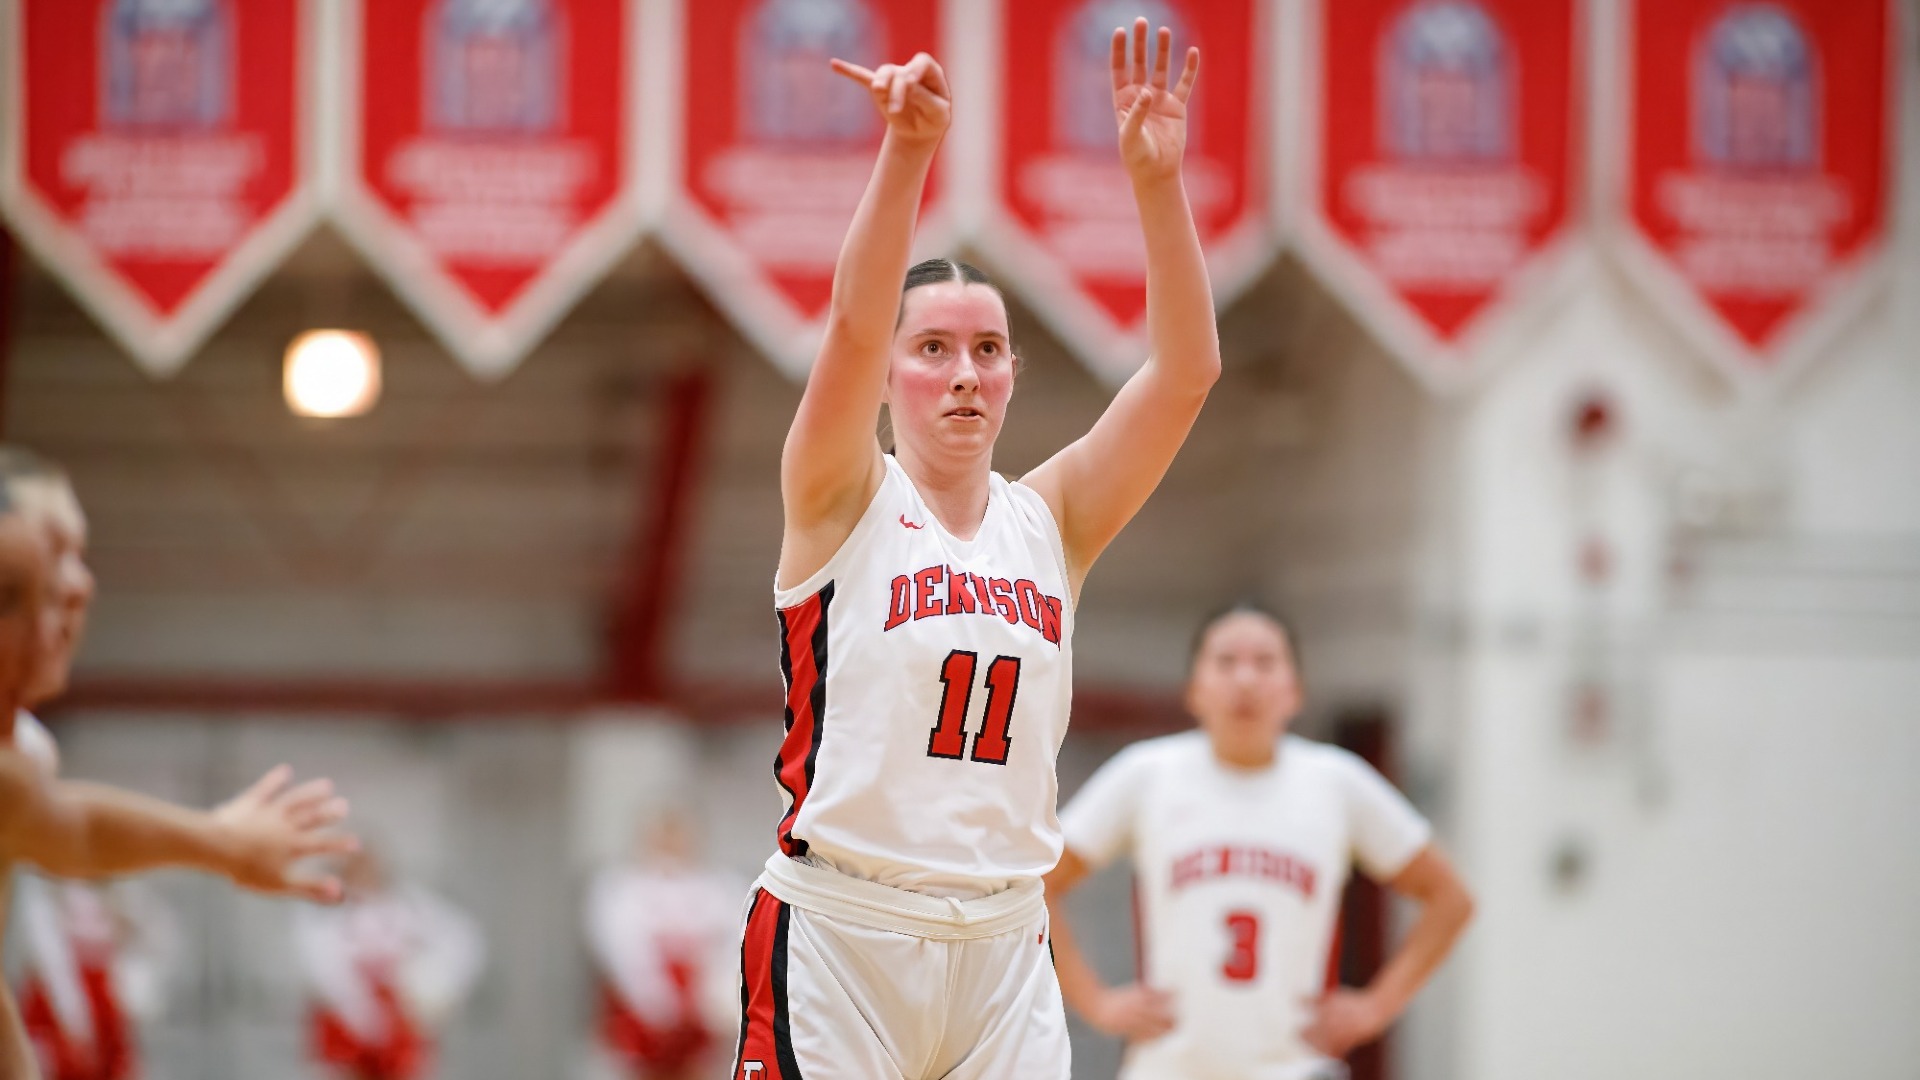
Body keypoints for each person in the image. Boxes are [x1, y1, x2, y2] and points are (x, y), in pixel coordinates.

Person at [735, 17, 1220, 1079]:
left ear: (1013, 376)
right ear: (897, 375)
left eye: (989, 349)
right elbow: (853, 329)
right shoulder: (839, 496)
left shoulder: (1054, 520)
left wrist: (1156, 183)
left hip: (1004, 945)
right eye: (936, 348)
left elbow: (1185, 375)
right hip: (843, 932)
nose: (965, 371)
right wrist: (908, 149)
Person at [0, 450, 359, 1079]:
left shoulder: (25, 750)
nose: (77, 587)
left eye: (77, 556)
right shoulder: (15, 778)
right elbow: (70, 828)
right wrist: (221, 841)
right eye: (47, 564)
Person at [1044, 605, 1476, 1080]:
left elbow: (1450, 900)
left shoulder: (1337, 782)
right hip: (1169, 1067)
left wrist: (1373, 1009)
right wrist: (1095, 1002)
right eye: (1226, 662)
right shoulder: (1146, 773)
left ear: (1295, 692)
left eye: (1266, 662)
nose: (1245, 680)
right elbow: (1042, 881)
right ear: (1194, 689)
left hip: (1295, 1066)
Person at [294, 846, 486, 1080]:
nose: (363, 875)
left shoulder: (412, 907)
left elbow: (463, 938)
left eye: (368, 866)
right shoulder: (324, 915)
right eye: (355, 867)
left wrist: (437, 987)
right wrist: (363, 1015)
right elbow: (324, 970)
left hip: (401, 1025)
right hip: (344, 1027)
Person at [586, 811, 744, 1080]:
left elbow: (732, 947)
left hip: (701, 1015)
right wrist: (656, 1001)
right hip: (642, 1014)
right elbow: (622, 951)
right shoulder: (621, 890)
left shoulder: (722, 889)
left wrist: (707, 996)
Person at [13, 875, 181, 1080]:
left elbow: (154, 933)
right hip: (58, 997)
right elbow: (44, 943)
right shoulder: (44, 887)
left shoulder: (116, 887)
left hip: (104, 988)